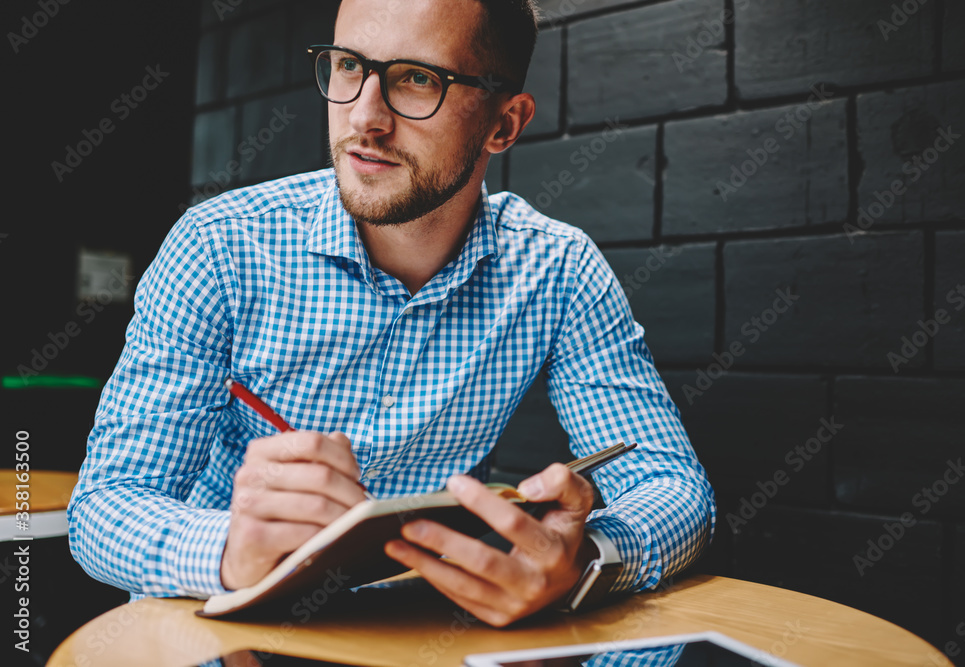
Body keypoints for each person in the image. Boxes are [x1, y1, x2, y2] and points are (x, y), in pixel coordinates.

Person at [68, 0, 715, 627]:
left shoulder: (558, 269)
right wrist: (229, 550)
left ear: (505, 124)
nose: (364, 118)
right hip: (220, 629)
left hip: (417, 638)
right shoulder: (218, 246)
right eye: (349, 65)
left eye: (416, 79)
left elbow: (674, 487)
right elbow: (103, 508)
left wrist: (585, 562)